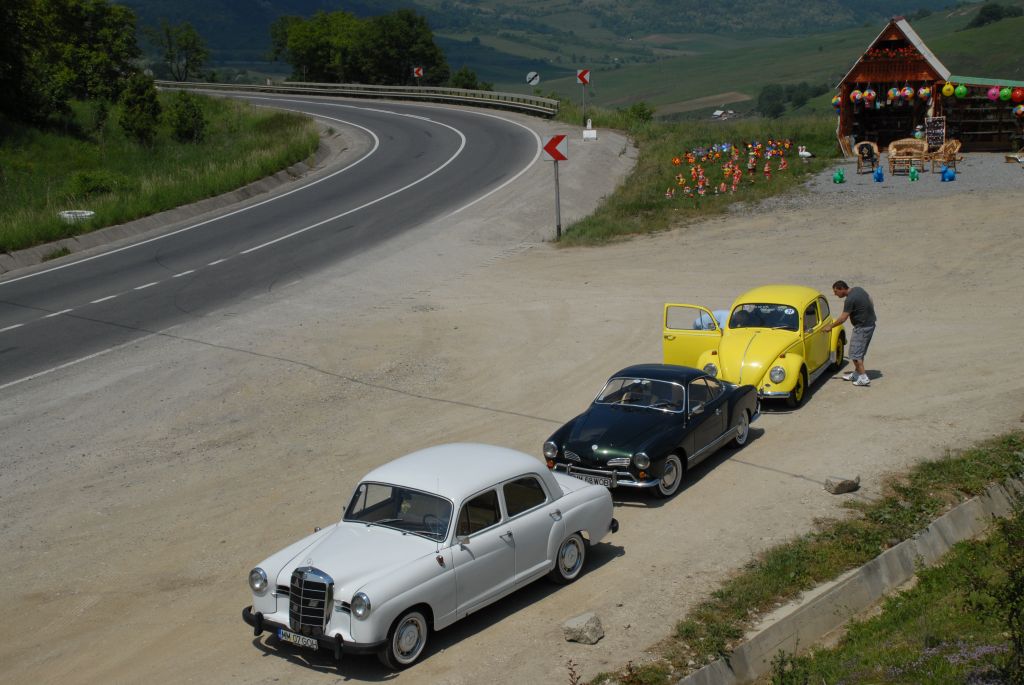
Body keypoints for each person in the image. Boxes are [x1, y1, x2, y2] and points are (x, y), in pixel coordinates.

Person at [824, 280, 876, 386]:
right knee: (858, 352)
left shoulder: (850, 299)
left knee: (855, 354)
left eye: (836, 291)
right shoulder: (858, 289)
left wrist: (830, 326)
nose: (835, 294)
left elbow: (843, 318)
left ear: (842, 289)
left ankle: (863, 377)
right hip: (870, 324)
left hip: (862, 328)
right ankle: (857, 373)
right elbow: (870, 299)